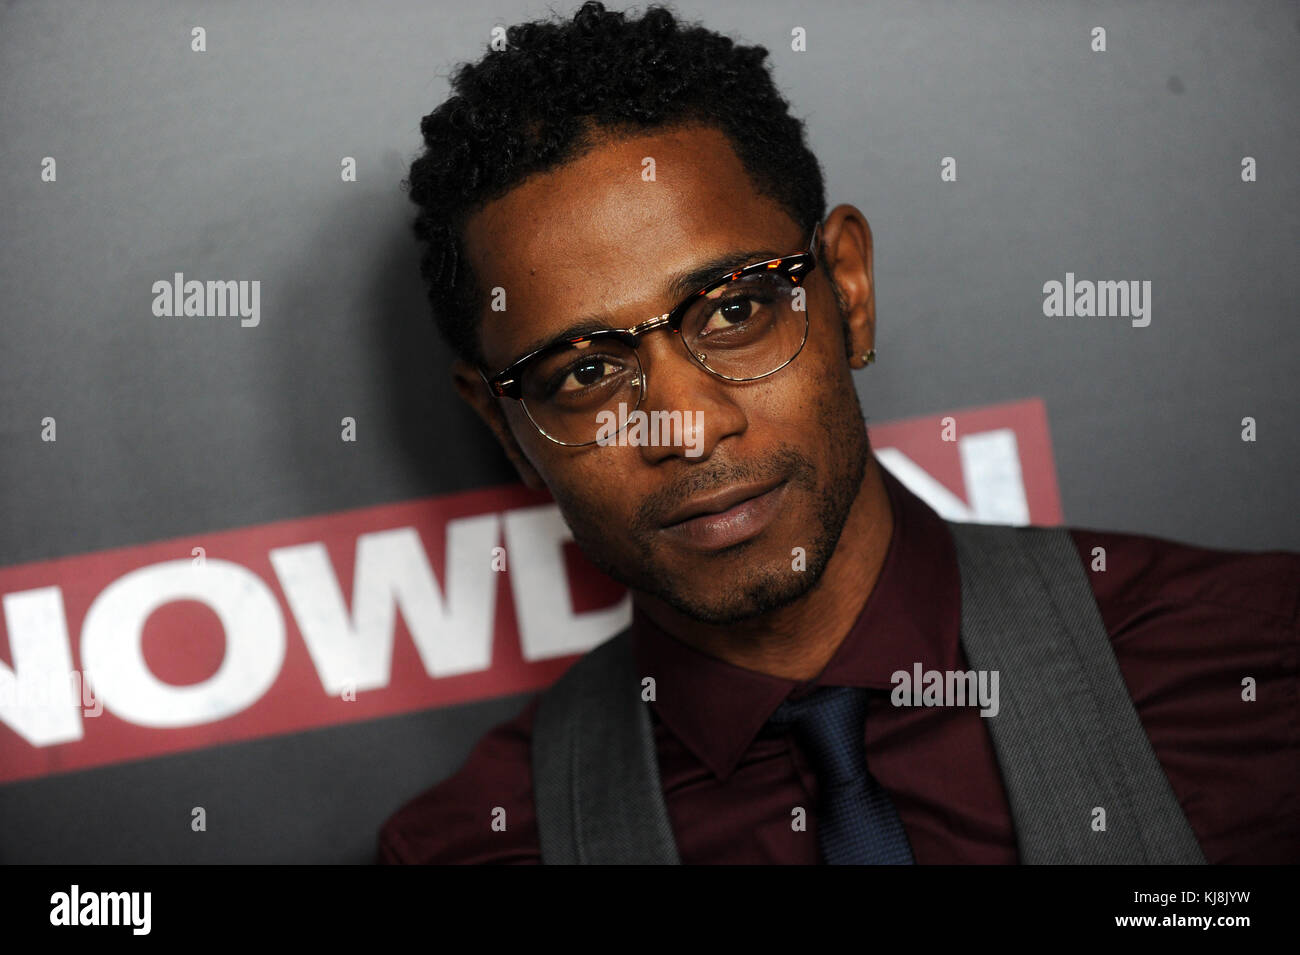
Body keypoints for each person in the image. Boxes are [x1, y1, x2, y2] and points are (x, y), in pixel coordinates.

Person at [378, 1, 1297, 864]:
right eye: (583, 372)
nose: (689, 426)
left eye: (734, 310)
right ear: (505, 426)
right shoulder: (481, 843)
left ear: (847, 290)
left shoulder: (1249, 674)